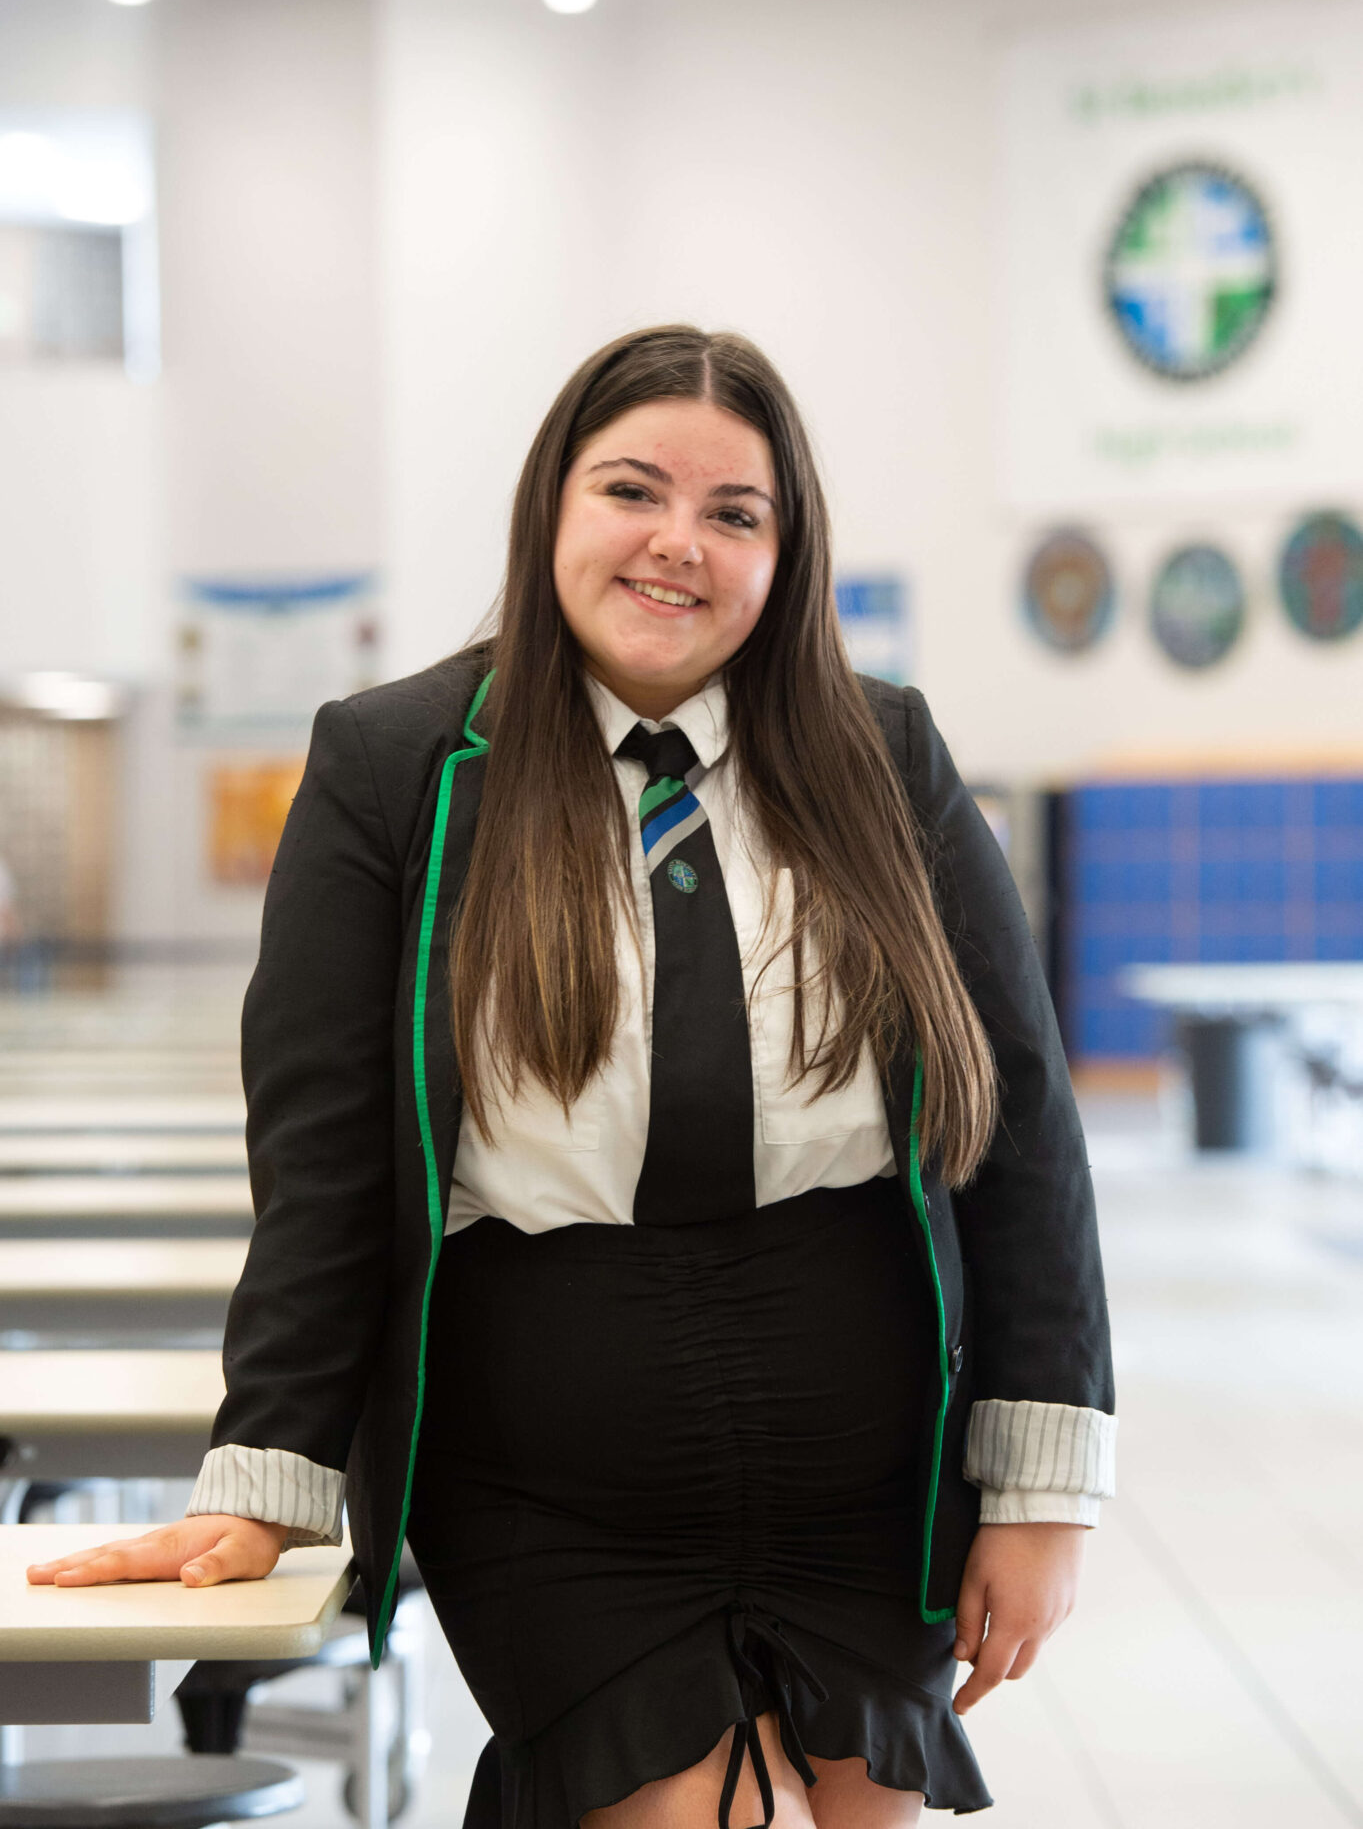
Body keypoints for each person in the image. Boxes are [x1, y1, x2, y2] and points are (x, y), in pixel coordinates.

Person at [30, 326, 1116, 1827]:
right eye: (632, 490)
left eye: (735, 512)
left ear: (786, 554)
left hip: (865, 1459)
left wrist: (1044, 1491)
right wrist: (265, 1478)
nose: (679, 542)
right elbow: (326, 1165)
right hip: (553, 1471)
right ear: (553, 503)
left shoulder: (884, 754)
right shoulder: (395, 765)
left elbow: (1028, 1135)